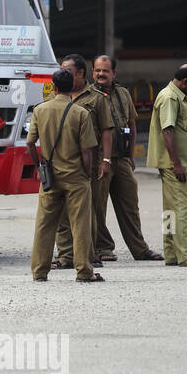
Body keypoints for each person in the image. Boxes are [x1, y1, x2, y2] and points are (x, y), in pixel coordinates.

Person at [27, 68, 102, 282]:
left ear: (55, 87)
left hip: (50, 175)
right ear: (72, 88)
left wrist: (40, 165)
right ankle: (84, 271)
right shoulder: (81, 113)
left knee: (45, 224)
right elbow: (88, 150)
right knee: (80, 225)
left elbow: (31, 143)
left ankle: (39, 271)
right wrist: (88, 174)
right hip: (76, 176)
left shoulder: (40, 110)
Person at [91, 55, 162, 262]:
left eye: (105, 71)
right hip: (99, 158)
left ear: (114, 73)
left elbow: (131, 125)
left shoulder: (123, 94)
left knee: (130, 205)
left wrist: (131, 156)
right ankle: (102, 247)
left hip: (121, 157)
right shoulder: (89, 96)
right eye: (97, 71)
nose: (101, 74)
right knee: (97, 206)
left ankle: (140, 249)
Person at [147, 64, 187, 267]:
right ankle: (186, 254)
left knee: (170, 211)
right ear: (185, 82)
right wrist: (177, 164)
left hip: (174, 163)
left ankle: (171, 253)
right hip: (176, 164)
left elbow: (176, 123)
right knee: (182, 208)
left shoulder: (176, 96)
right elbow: (167, 131)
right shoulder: (170, 97)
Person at [53, 54, 113, 272]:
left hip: (90, 161)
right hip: (63, 161)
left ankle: (91, 253)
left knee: (89, 211)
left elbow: (107, 130)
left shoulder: (96, 98)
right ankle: (66, 255)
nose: (63, 75)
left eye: (67, 71)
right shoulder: (55, 97)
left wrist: (105, 160)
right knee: (62, 213)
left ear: (80, 73)